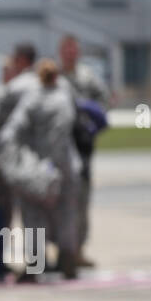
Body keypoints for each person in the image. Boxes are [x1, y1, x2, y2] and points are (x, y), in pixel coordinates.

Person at [0, 58, 82, 279]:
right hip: (66, 164)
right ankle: (68, 261)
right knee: (66, 215)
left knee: (34, 216)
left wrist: (13, 161)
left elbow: (9, 132)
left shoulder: (32, 99)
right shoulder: (66, 96)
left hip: (39, 166)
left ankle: (36, 266)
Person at [58, 34, 110, 268]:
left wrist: (92, 119)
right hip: (57, 144)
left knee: (81, 199)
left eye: (74, 50)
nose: (70, 54)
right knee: (56, 199)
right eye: (67, 50)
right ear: (61, 52)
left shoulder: (87, 77)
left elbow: (105, 101)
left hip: (81, 145)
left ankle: (77, 249)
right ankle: (60, 250)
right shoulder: (53, 76)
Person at [0, 43, 41, 228]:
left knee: (31, 209)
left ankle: (35, 254)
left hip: (20, 155)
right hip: (16, 156)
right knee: (6, 207)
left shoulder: (16, 88)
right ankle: (2, 252)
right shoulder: (33, 85)